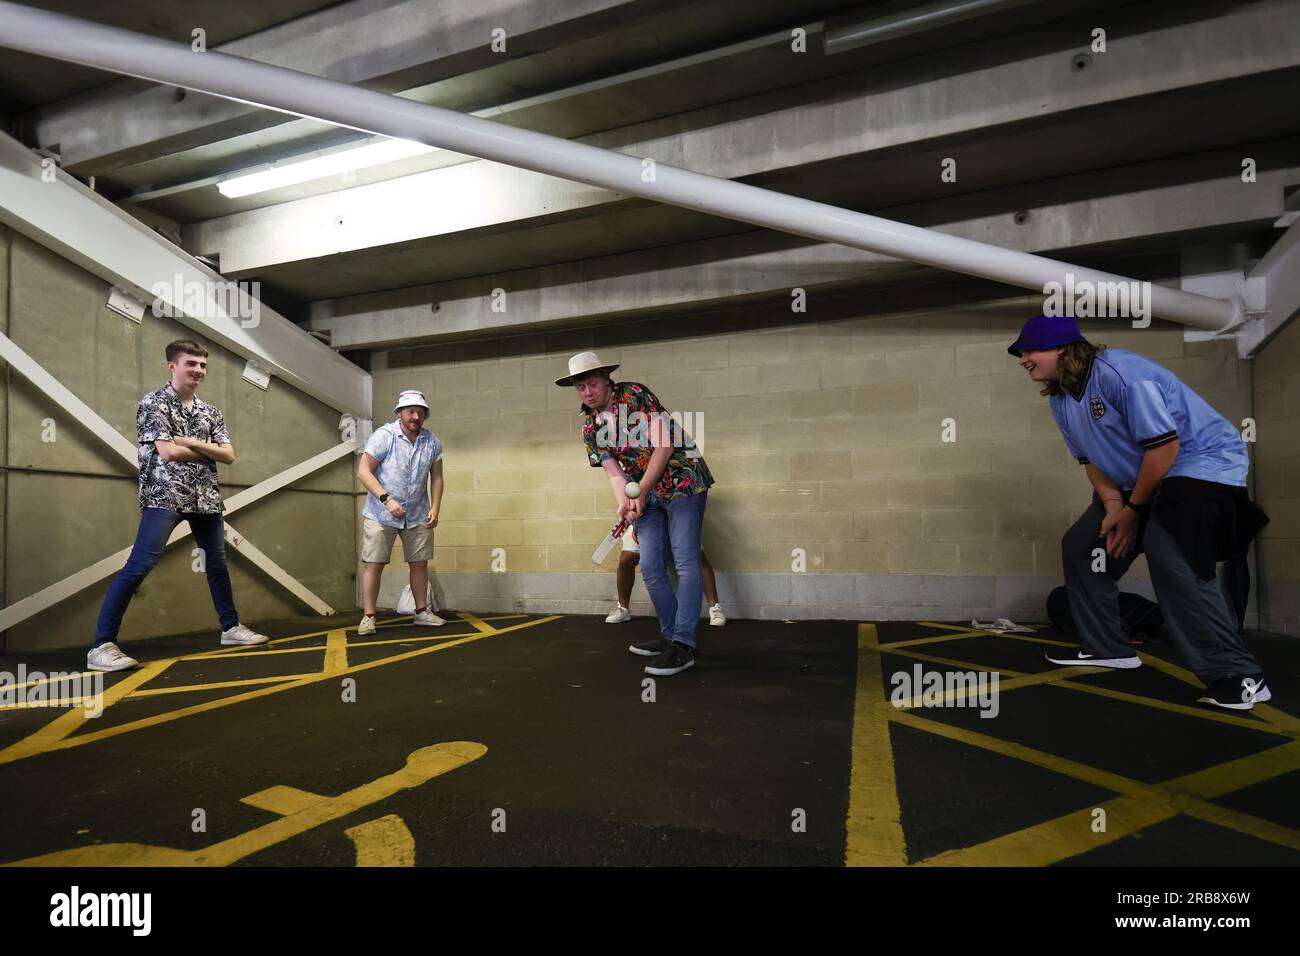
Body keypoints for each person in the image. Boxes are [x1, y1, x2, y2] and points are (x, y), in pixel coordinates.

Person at [1009, 314, 1271, 710]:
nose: (1023, 359)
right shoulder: (1062, 400)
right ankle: (1109, 647)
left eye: (1029, 350)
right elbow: (1090, 460)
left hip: (1200, 465)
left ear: (1062, 348)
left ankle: (1240, 674)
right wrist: (1115, 506)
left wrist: (1133, 512)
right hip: (1138, 484)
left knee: (1169, 552)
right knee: (1083, 546)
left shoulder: (1123, 373)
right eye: (1021, 353)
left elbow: (1165, 449)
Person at [89, 340, 268, 672]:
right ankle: (101, 646)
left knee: (217, 565)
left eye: (202, 365)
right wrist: (206, 447)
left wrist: (189, 442)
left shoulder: (210, 412)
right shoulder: (153, 403)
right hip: (164, 495)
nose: (198, 370)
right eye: (191, 364)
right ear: (172, 365)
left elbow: (229, 455)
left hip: (206, 498)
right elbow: (168, 453)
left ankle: (230, 628)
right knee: (138, 566)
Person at [559, 351, 714, 676]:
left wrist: (641, 489)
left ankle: (684, 646)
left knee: (685, 560)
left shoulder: (635, 396)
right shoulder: (590, 427)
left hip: (682, 480)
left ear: (606, 379)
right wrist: (626, 503)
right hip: (647, 491)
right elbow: (615, 473)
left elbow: (665, 446)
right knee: (651, 566)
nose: (587, 391)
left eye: (591, 383)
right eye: (580, 387)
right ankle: (671, 635)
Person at [356, 389, 446, 634]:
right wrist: (386, 499)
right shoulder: (384, 436)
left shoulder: (432, 441)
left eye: (420, 412)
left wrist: (435, 508)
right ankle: (368, 617)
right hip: (380, 513)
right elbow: (364, 471)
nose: (416, 416)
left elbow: (437, 478)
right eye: (411, 412)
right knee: (373, 563)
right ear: (400, 413)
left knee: (419, 564)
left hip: (417, 513)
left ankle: (421, 612)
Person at [606, 527, 726, 626]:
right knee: (626, 559)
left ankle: (715, 608)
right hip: (644, 519)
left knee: (697, 556)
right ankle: (622, 608)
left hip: (678, 517)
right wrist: (633, 519)